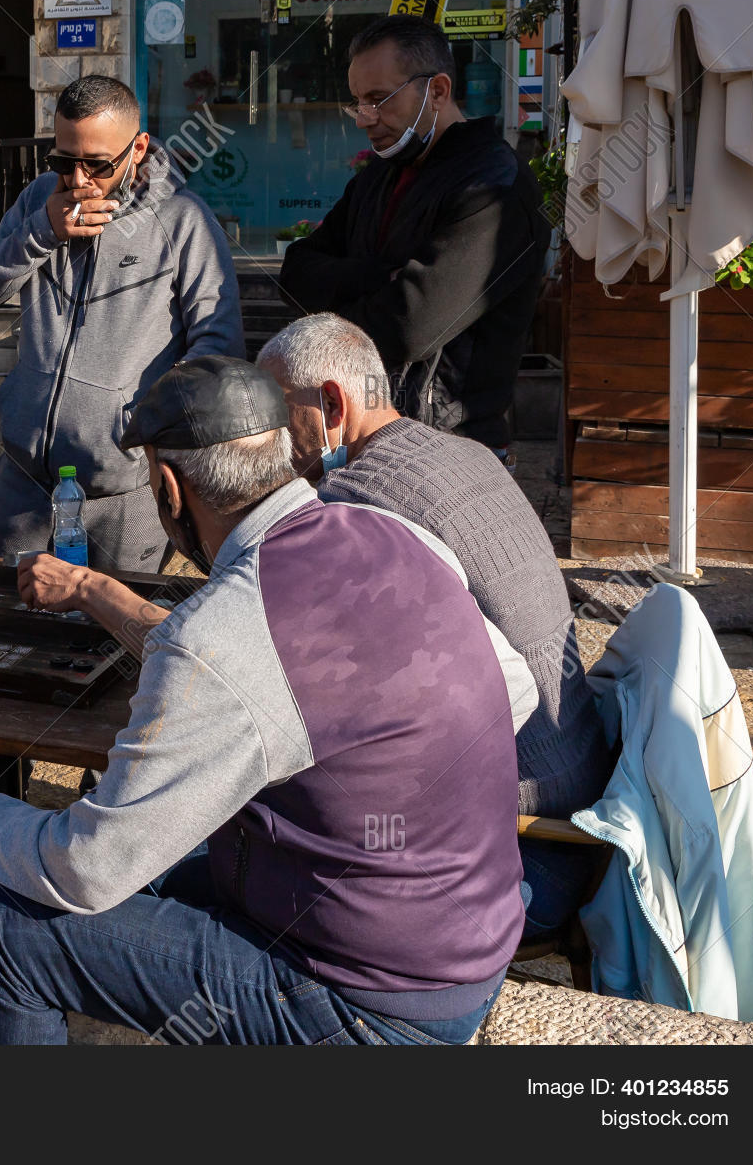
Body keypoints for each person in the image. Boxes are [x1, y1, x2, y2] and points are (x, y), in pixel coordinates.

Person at [0, 355, 536, 1044]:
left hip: (371, 1005)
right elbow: (509, 692)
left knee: (7, 929)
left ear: (168, 490)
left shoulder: (221, 632)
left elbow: (90, 870)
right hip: (473, 941)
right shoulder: (400, 536)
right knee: (162, 860)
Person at [256, 312, 614, 940]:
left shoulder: (357, 507)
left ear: (332, 404)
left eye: (278, 411)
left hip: (524, 853)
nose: (272, 436)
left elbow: (290, 679)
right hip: (580, 788)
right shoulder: (467, 454)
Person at [0, 74, 244, 572]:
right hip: (24, 481)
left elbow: (218, 349)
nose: (78, 179)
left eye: (96, 164)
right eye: (64, 161)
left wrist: (148, 436)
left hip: (124, 492)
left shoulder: (182, 221)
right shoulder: (38, 202)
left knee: (114, 640)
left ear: (138, 149)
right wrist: (40, 232)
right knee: (4, 627)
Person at [277, 15, 550, 459]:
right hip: (364, 440)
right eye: (358, 103)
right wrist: (379, 274)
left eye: (379, 99)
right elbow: (295, 271)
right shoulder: (380, 177)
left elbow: (408, 327)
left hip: (449, 449)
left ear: (437, 91)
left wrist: (345, 290)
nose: (366, 118)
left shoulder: (496, 187)